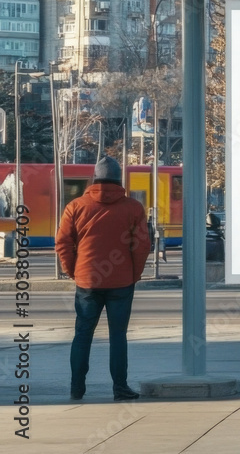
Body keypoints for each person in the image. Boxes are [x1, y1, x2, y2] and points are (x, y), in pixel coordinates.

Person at [55, 157, 150, 401]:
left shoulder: (75, 206)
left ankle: (77, 388)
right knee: (118, 336)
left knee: (82, 334)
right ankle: (120, 388)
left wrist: (73, 271)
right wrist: (134, 274)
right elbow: (142, 246)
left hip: (87, 281)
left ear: (94, 179)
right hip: (122, 282)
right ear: (119, 179)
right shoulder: (133, 208)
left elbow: (62, 243)